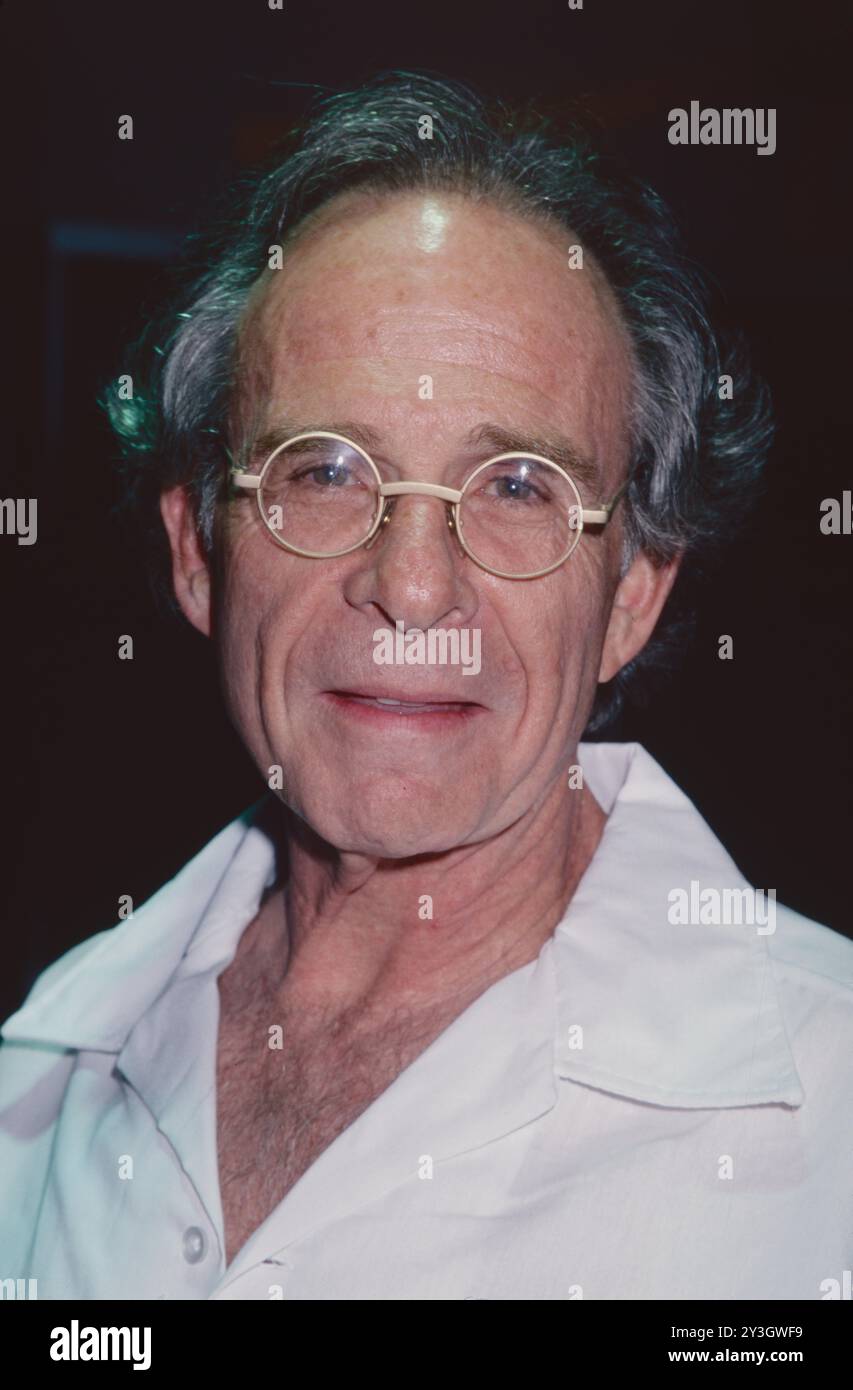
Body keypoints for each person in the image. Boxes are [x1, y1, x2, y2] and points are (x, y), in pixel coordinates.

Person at [2, 71, 851, 1302]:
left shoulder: (828, 1125)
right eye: (325, 469)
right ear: (199, 553)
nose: (410, 588)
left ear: (630, 594)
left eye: (517, 487)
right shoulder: (45, 1075)